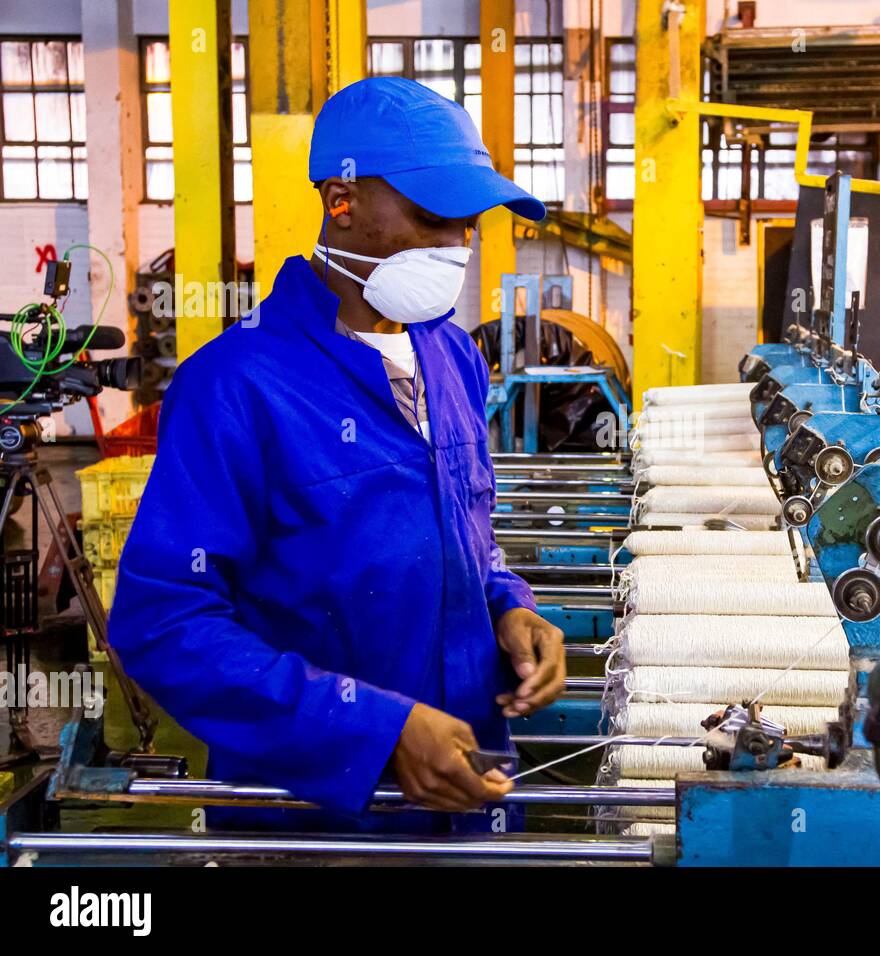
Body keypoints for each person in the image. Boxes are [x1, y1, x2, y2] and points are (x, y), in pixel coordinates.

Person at [110, 77, 566, 831]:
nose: (457, 245)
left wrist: (509, 607)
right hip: (319, 822)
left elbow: (463, 538)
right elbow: (164, 622)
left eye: (470, 223)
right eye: (432, 217)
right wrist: (372, 733)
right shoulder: (236, 385)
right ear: (341, 200)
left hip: (471, 796)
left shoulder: (453, 356)